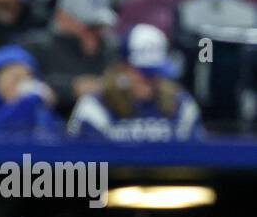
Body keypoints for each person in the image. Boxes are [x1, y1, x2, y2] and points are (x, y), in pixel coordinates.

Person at [68, 23, 202, 140]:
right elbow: (82, 162)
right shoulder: (94, 107)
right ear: (122, 69)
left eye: (155, 74)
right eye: (143, 74)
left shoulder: (181, 105)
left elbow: (197, 162)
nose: (150, 82)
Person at [20, 0, 117, 118]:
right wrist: (71, 89)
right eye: (88, 26)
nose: (94, 33)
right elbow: (20, 87)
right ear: (62, 16)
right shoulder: (36, 48)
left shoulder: (111, 48)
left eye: (99, 26)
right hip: (49, 129)